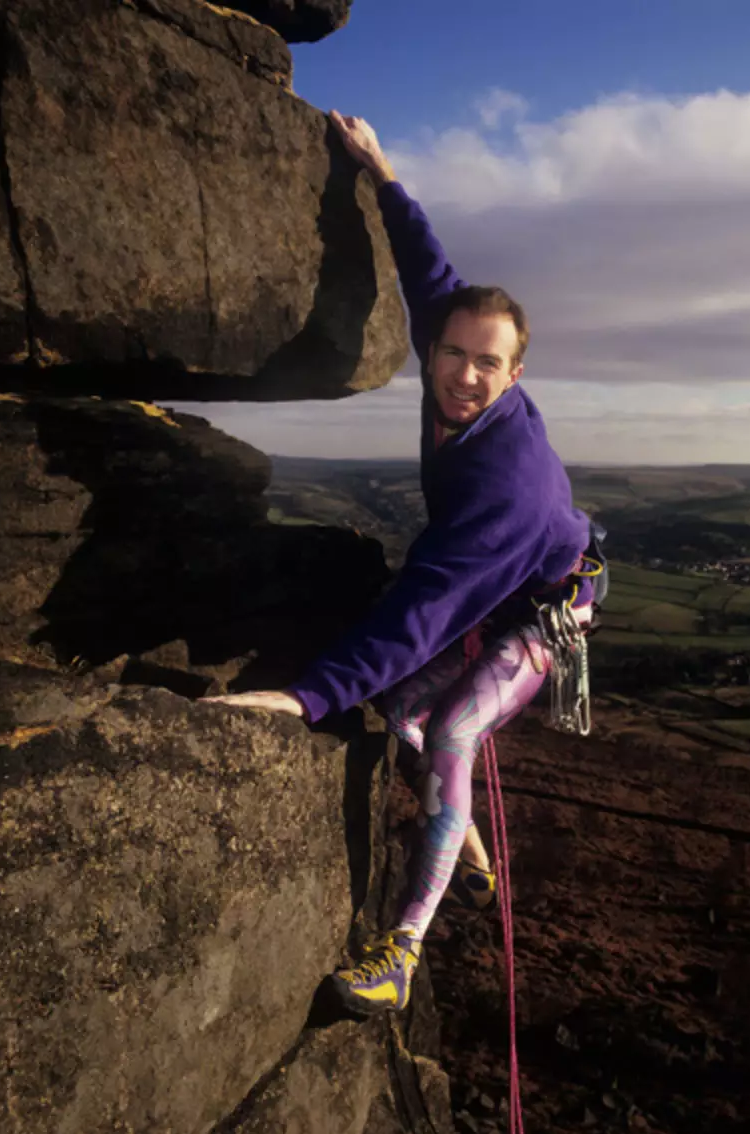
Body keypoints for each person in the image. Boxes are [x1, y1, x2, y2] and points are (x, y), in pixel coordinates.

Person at [204, 111, 602, 1015]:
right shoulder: (452, 347)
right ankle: (462, 840)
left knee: (455, 731)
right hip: (491, 583)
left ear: (517, 374)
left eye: (486, 364)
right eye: (452, 352)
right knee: (402, 715)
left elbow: (426, 609)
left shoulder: (511, 487)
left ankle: (402, 954)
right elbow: (431, 272)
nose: (463, 373)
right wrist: (380, 171)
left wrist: (307, 696)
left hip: (542, 610)